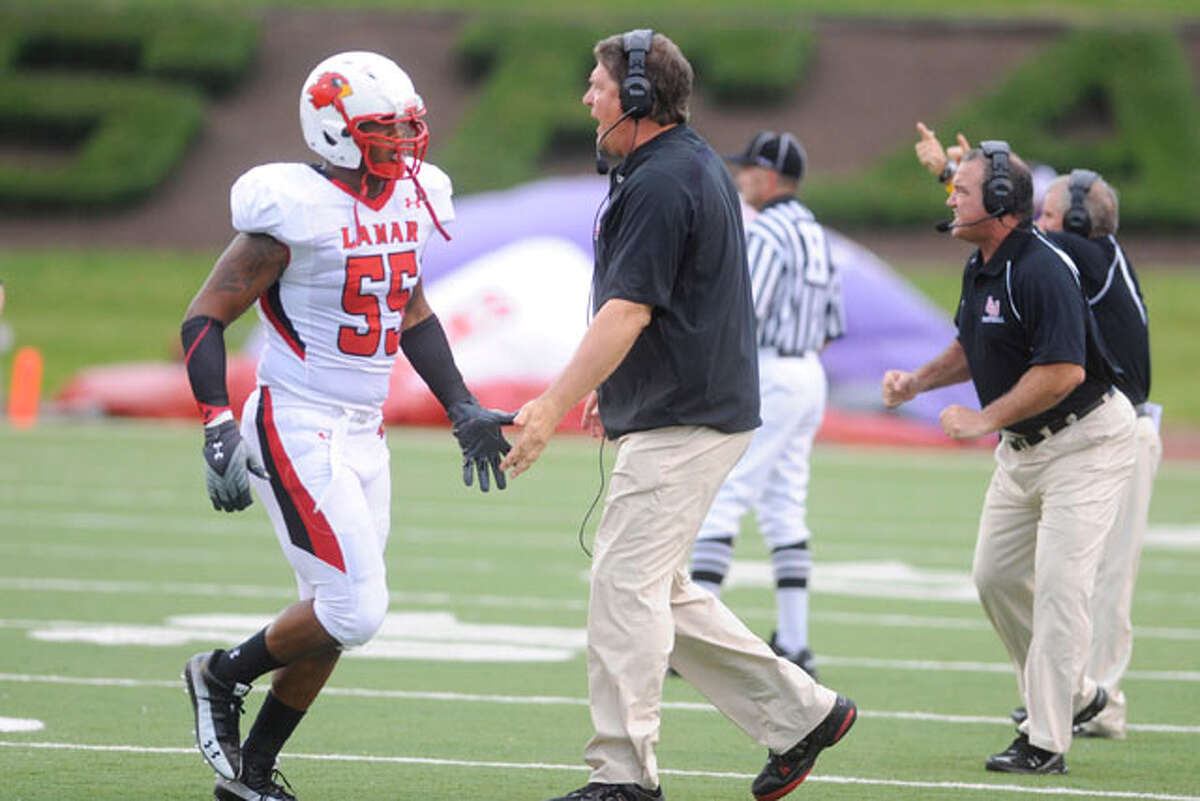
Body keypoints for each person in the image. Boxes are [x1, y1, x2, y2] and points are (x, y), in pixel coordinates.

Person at [501, 30, 856, 801]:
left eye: (597, 86)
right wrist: (612, 385)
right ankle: (803, 714)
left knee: (623, 585)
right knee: (654, 587)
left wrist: (549, 405)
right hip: (694, 407)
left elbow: (629, 309)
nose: (586, 99)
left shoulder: (664, 180)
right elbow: (665, 304)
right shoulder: (677, 166)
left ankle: (625, 774)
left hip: (686, 417)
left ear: (637, 97)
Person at [179, 51, 513, 801]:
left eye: (406, 126)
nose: (404, 142)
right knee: (353, 609)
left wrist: (460, 402)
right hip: (297, 419)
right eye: (383, 129)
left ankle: (251, 774)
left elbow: (410, 308)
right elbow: (204, 317)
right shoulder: (291, 212)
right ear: (333, 131)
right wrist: (216, 421)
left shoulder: (410, 197)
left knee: (330, 612)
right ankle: (220, 675)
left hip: (365, 428)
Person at [883, 140, 1136, 774]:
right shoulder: (982, 264)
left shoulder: (1043, 268)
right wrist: (917, 382)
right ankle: (1076, 695)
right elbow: (972, 343)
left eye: (962, 191)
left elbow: (1063, 370)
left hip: (1086, 442)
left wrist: (983, 419)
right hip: (1025, 450)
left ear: (999, 203)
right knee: (994, 578)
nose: (951, 199)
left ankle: (1045, 741)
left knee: (1060, 590)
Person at [687, 130, 844, 679]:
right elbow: (833, 324)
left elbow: (742, 311)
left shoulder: (768, 232)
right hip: (807, 372)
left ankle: (695, 639)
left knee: (726, 492)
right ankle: (795, 640)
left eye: (748, 168)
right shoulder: (816, 232)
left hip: (771, 369)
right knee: (785, 505)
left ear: (770, 176)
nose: (739, 177)